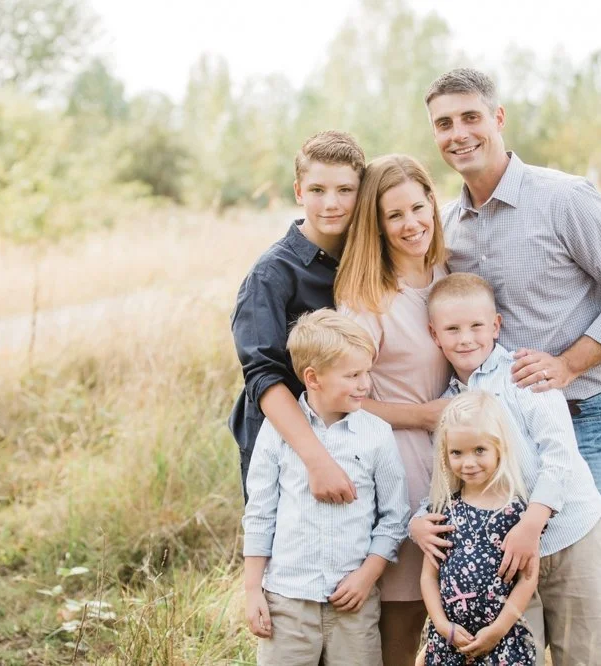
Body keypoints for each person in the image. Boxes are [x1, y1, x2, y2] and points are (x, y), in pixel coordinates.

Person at [423, 67, 601, 665]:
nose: (459, 133)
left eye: (471, 117)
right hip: (495, 450)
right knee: (514, 601)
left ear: (499, 118)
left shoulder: (563, 199)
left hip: (578, 419)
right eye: (443, 124)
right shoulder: (450, 227)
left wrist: (566, 364)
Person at [420, 272, 601, 665]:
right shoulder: (450, 406)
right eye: (452, 329)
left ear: (496, 326)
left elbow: (561, 455)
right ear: (435, 335)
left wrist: (532, 523)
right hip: (504, 561)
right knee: (514, 655)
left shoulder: (524, 373)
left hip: (570, 535)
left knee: (593, 654)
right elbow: (446, 483)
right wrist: (420, 520)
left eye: (476, 326)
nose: (466, 338)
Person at [335, 154, 452, 666]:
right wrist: (423, 416)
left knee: (458, 616)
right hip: (398, 467)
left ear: (432, 202)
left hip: (458, 464)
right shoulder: (368, 297)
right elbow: (344, 397)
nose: (411, 224)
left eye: (417, 207)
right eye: (394, 216)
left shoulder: (449, 270)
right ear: (377, 226)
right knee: (402, 627)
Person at [242, 309, 410, 666]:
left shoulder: (376, 434)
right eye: (352, 375)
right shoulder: (278, 432)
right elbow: (259, 512)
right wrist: (252, 589)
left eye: (367, 372)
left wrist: (368, 575)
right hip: (287, 600)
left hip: (353, 603)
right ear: (313, 378)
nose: (365, 383)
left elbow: (395, 517)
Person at [230, 131, 366, 504]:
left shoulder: (365, 260)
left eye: (345, 190)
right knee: (283, 557)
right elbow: (263, 375)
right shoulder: (271, 274)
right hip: (284, 443)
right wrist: (316, 459)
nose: (331, 203)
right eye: (318, 190)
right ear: (298, 192)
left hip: (346, 432)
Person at [420, 391, 538, 666]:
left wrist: (498, 630)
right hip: (449, 641)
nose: (468, 462)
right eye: (457, 453)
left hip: (502, 640)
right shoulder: (444, 509)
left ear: (500, 448)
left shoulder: (517, 512)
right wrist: (440, 625)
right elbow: (428, 577)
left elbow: (528, 579)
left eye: (479, 451)